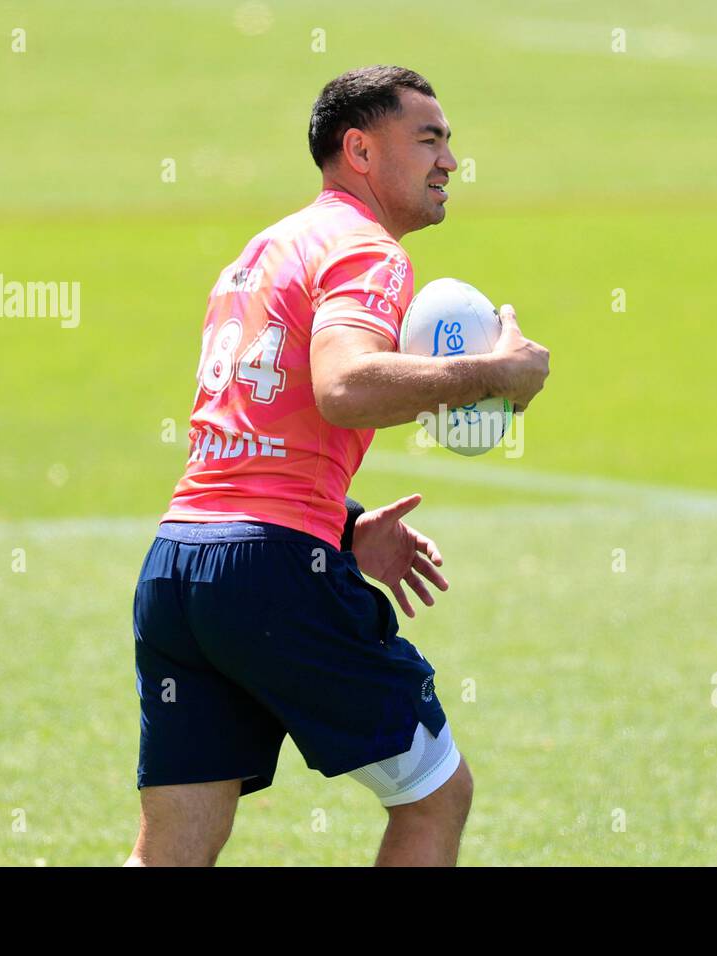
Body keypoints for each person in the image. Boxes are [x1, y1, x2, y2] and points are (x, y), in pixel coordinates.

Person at [125, 65, 550, 866]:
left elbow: (249, 427)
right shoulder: (367, 249)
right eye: (428, 139)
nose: (450, 162)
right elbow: (345, 384)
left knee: (169, 855)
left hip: (179, 568)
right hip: (269, 572)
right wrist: (495, 374)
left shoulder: (265, 249)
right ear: (359, 148)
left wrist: (344, 524)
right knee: (435, 795)